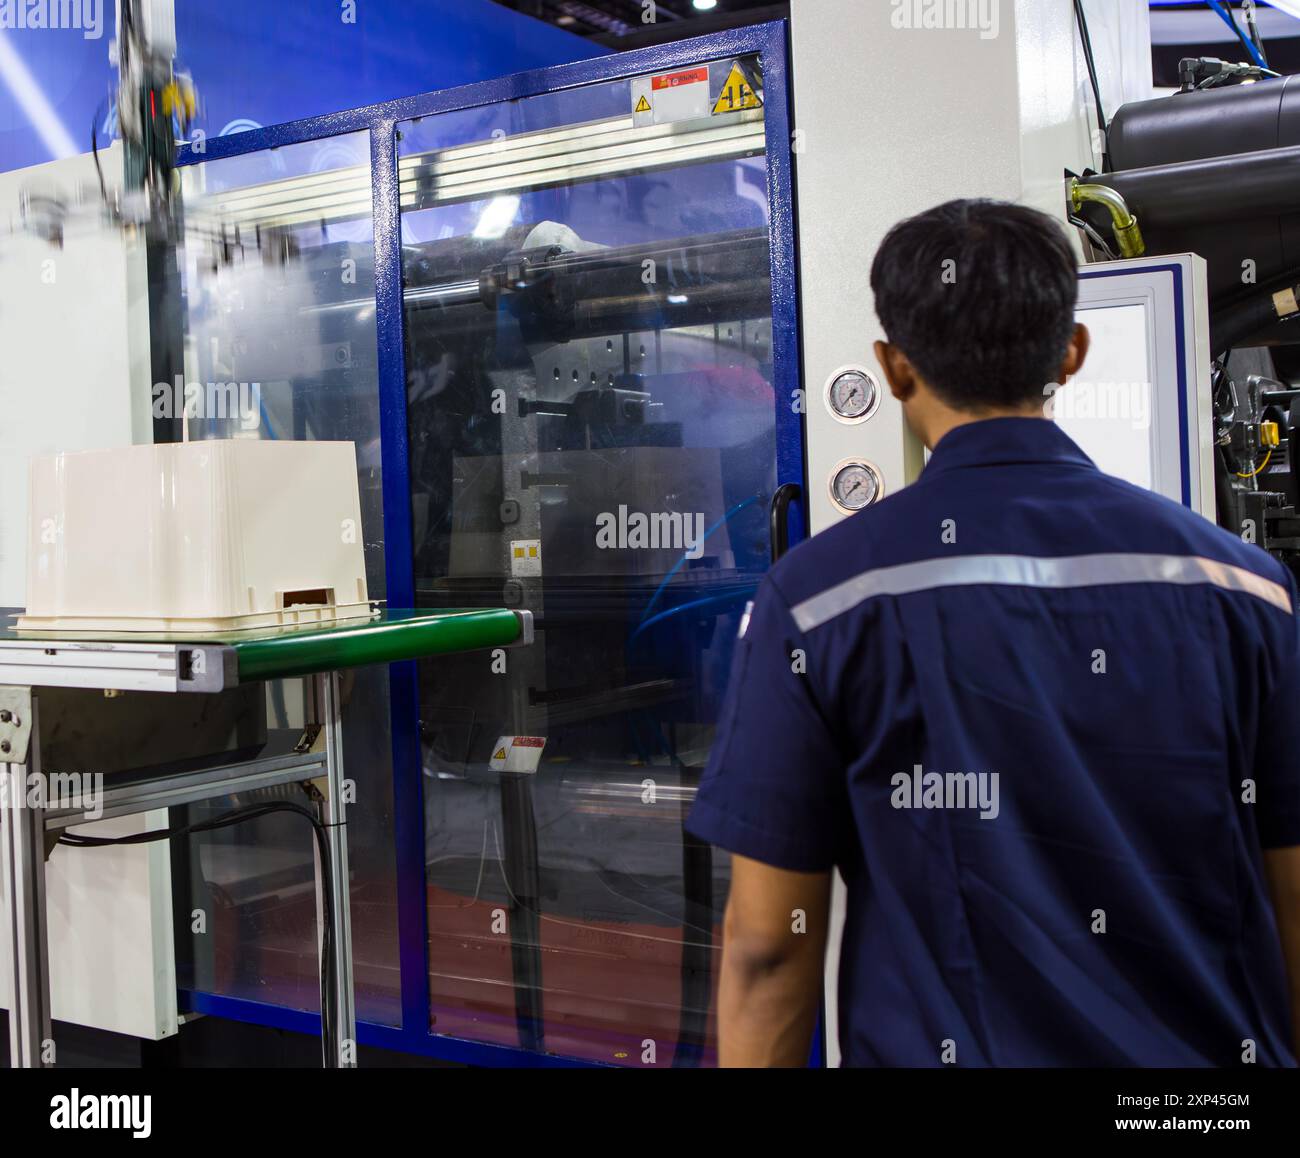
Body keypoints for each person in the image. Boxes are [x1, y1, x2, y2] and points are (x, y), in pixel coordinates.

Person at [686, 199, 1300, 1067]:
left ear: (894, 369)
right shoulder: (1248, 588)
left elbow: (768, 945)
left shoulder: (822, 599)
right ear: (1071, 355)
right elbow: (1292, 896)